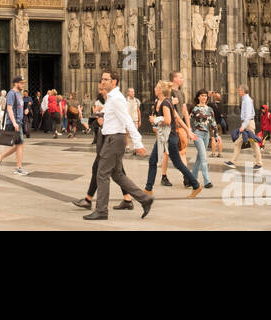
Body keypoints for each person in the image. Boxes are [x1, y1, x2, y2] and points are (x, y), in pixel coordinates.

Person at [84, 69, 153, 221]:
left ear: (114, 81)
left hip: (115, 140)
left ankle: (101, 210)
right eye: (102, 79)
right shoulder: (111, 98)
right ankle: (145, 199)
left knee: (102, 174)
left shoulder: (116, 98)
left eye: (106, 79)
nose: (102, 82)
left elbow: (127, 120)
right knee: (117, 174)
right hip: (112, 138)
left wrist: (138, 143)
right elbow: (114, 119)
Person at [143, 80, 201, 197]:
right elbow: (178, 119)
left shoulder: (165, 103)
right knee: (175, 163)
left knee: (158, 161)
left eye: (156, 87)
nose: (154, 89)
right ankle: (195, 185)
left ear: (160, 90)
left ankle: (196, 185)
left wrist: (155, 120)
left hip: (167, 138)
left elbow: (168, 121)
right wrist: (188, 131)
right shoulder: (169, 102)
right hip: (169, 138)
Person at [0, 76, 28, 175]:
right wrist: (14, 122)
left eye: (23, 83)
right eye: (21, 83)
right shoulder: (11, 93)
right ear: (16, 83)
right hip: (14, 123)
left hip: (18, 122)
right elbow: (9, 108)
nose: (23, 85)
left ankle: (0, 158)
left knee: (19, 145)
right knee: (20, 145)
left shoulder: (19, 94)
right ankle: (18, 168)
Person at [224, 85, 263, 170]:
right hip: (247, 123)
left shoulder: (247, 101)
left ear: (243, 91)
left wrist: (244, 125)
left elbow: (248, 115)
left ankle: (259, 163)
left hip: (248, 123)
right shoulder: (245, 100)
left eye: (239, 90)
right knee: (239, 143)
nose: (238, 92)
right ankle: (233, 162)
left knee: (253, 143)